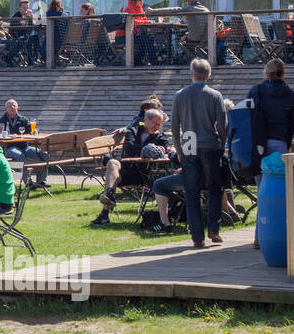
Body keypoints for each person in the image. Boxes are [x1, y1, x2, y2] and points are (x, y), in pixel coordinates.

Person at [171, 59, 228, 248]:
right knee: (214, 188)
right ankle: (214, 228)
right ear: (209, 75)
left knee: (192, 191)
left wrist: (178, 150)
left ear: (191, 74)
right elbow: (222, 124)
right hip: (210, 144)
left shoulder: (180, 95)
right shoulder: (215, 95)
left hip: (188, 143)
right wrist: (222, 143)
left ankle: (197, 236)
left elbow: (174, 126)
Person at [90, 109, 173, 227]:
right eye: (155, 123)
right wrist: (147, 149)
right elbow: (130, 148)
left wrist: (164, 149)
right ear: (146, 120)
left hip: (143, 175)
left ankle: (105, 210)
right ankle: (109, 195)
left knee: (112, 177)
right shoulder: (132, 131)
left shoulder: (159, 136)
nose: (157, 127)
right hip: (125, 170)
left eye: (159, 124)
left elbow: (166, 147)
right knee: (112, 163)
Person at [247, 59, 294, 169]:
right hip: (280, 141)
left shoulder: (256, 91)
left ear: (266, 72)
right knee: (278, 182)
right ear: (283, 73)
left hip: (258, 142)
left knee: (261, 183)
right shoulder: (290, 94)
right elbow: (292, 124)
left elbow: (247, 116)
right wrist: (286, 143)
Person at [0, 99, 46, 185]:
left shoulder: (23, 119)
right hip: (10, 148)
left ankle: (41, 181)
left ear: (18, 108)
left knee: (44, 154)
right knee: (19, 156)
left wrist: (36, 130)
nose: (12, 107)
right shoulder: (0, 120)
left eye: (14, 105)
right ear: (5, 109)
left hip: (25, 147)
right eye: (9, 106)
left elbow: (32, 129)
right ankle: (29, 183)